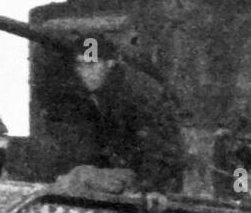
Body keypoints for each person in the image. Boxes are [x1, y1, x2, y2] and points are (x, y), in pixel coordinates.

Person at [44, 37, 187, 193]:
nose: (86, 73)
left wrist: (151, 188)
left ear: (110, 63)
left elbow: (161, 148)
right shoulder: (90, 91)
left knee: (81, 177)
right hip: (119, 171)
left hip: (148, 178)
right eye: (80, 65)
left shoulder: (139, 92)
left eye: (92, 64)